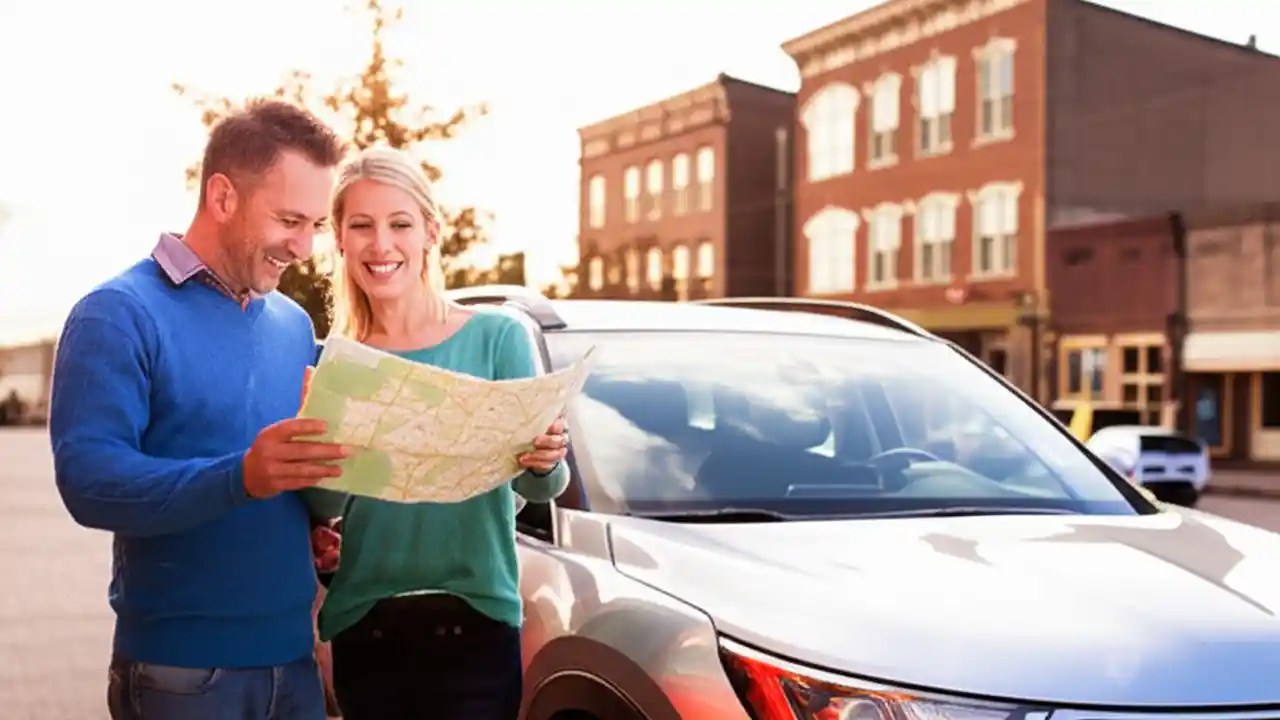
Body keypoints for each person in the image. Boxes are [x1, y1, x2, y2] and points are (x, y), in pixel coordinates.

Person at [48, 98, 350, 720]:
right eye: (290, 220)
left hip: (295, 666)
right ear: (222, 197)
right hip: (183, 678)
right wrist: (242, 476)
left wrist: (312, 523)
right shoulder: (117, 314)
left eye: (314, 225)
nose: (305, 247)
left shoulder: (294, 326)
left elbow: (281, 479)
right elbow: (89, 483)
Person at [304, 145, 570, 720]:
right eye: (362, 226)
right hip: (365, 632)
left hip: (476, 627)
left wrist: (546, 460)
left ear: (430, 232)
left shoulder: (499, 338)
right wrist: (319, 440)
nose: (382, 245)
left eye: (400, 224)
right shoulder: (337, 363)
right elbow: (326, 506)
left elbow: (541, 490)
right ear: (341, 240)